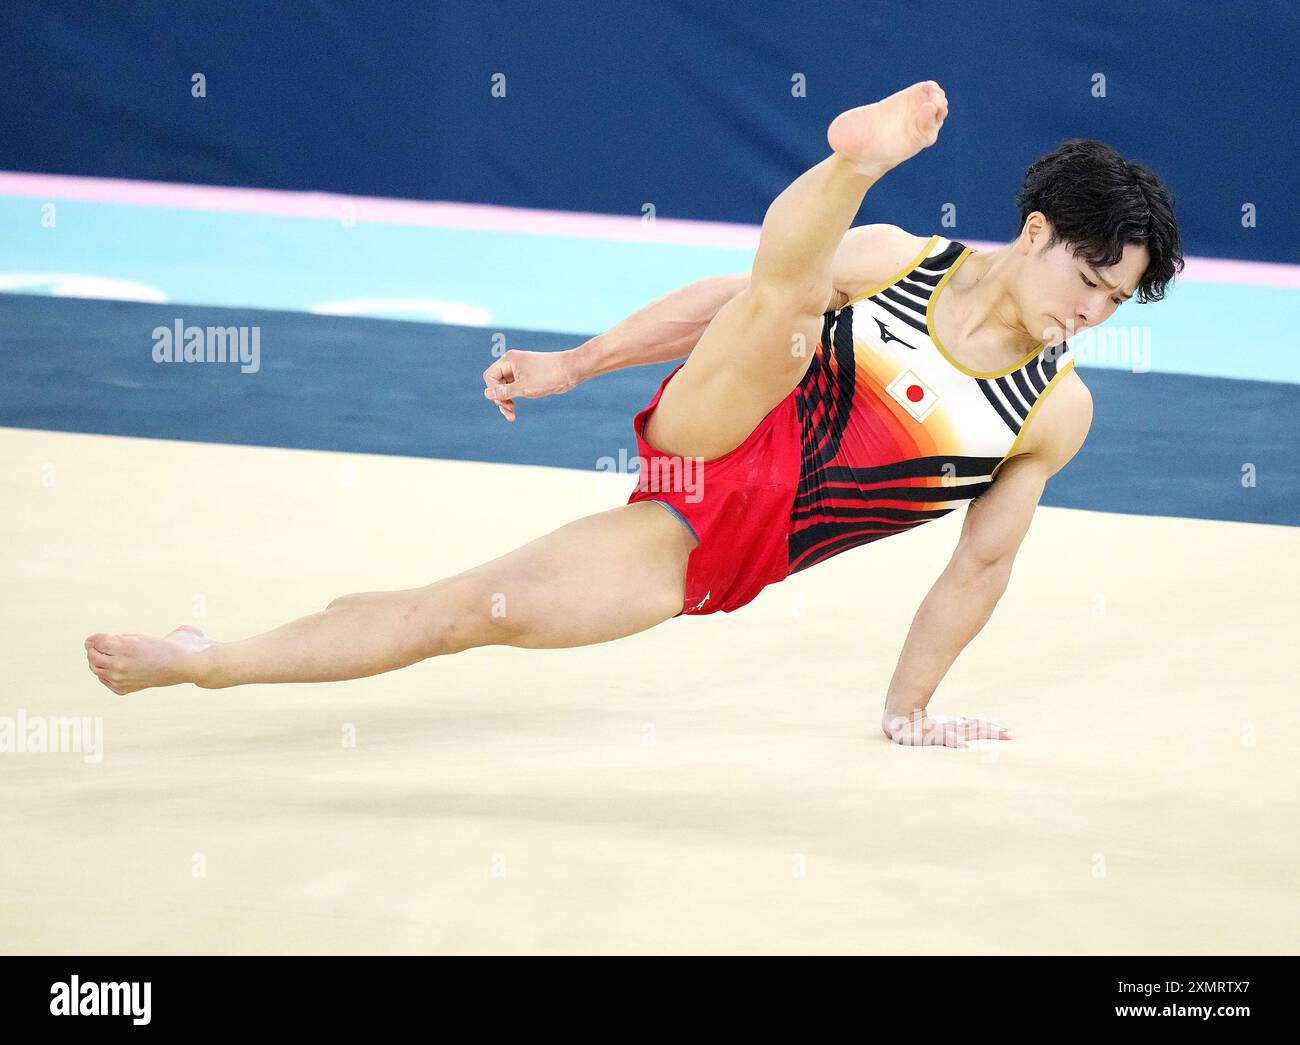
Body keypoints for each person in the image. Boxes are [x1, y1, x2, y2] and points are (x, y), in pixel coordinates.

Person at [84, 81, 1182, 748]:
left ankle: (206, 655)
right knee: (786, 307)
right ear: (1035, 231)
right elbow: (730, 301)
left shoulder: (1052, 410)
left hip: (706, 544)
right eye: (1088, 278)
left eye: (1113, 300)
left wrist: (908, 707)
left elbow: (976, 569)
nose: (1088, 313)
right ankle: (852, 163)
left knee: (460, 613)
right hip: (723, 419)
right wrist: (578, 364)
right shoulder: (903, 263)